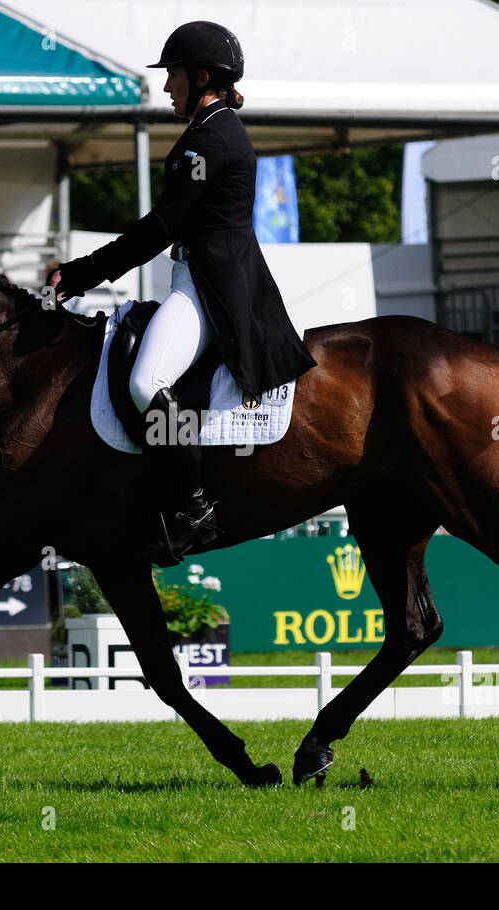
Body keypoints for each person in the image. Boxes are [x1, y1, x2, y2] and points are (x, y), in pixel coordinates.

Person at [55, 21, 316, 560]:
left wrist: (82, 273)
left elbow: (161, 226)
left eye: (173, 75)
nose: (167, 85)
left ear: (201, 78)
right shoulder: (210, 132)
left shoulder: (211, 138)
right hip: (198, 279)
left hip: (209, 289)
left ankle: (194, 508)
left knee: (146, 382)